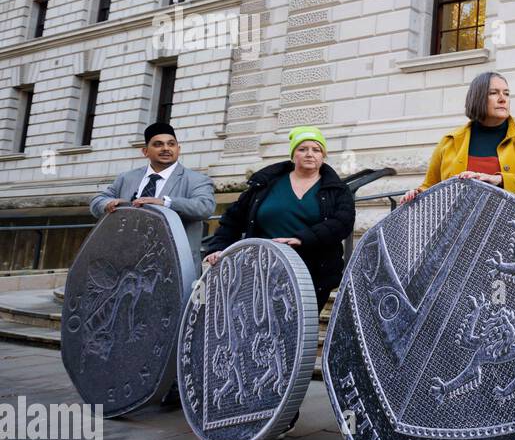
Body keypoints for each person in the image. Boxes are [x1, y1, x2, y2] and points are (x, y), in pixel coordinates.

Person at [203, 126, 356, 313]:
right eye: (302, 149)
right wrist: (219, 247)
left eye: (316, 150)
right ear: (293, 154)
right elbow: (233, 219)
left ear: (323, 156)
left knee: (299, 330)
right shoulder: (265, 184)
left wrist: (302, 238)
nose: (310, 154)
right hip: (261, 269)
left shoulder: (337, 190)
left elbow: (342, 222)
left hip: (312, 273)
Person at [400, 71, 515, 205]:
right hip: (456, 232)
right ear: (478, 98)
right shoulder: (449, 141)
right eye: (494, 93)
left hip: (507, 231)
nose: (503, 99)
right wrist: (416, 194)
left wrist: (498, 179)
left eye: (507, 93)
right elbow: (430, 187)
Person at [90, 121, 216, 268]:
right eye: (158, 144)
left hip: (172, 266)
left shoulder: (196, 179)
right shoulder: (127, 178)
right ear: (145, 151)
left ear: (178, 149)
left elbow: (205, 207)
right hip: (124, 265)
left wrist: (166, 203)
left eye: (171, 144)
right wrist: (108, 204)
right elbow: (96, 201)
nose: (166, 149)